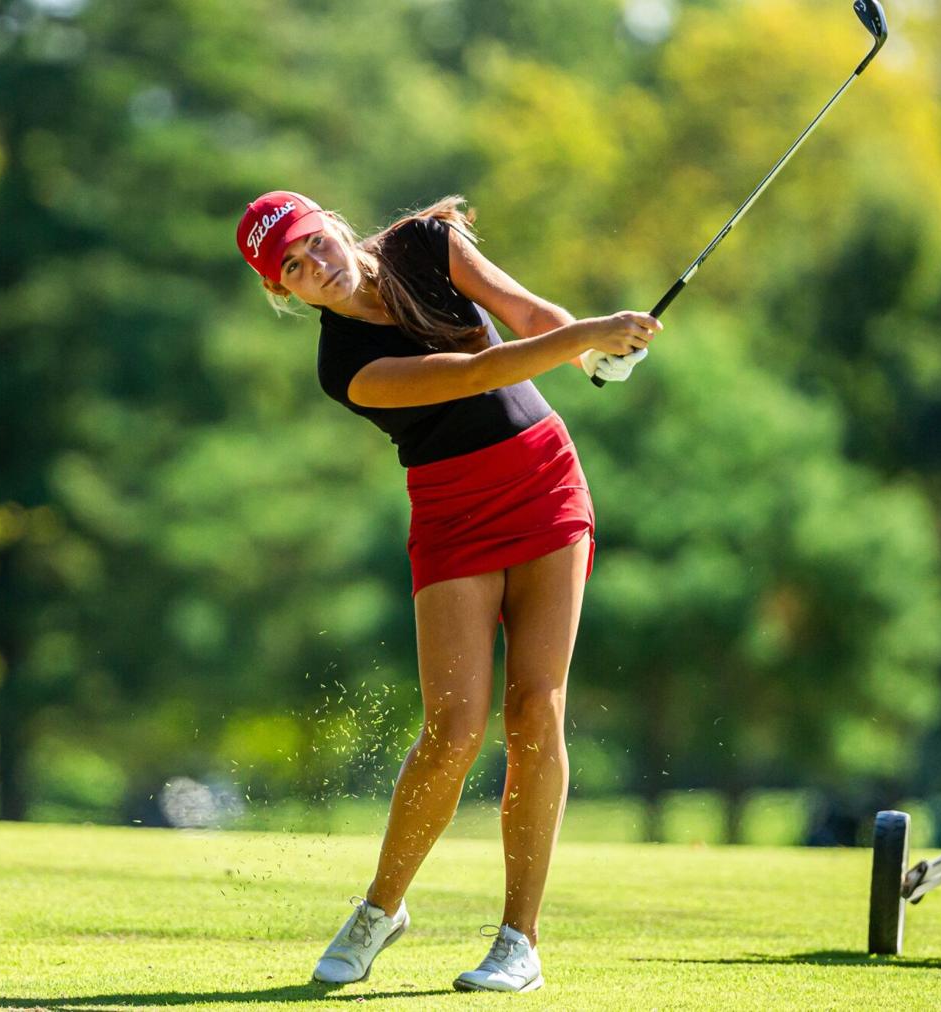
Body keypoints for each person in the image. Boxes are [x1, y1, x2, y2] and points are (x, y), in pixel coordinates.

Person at [235, 191, 660, 993]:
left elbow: (526, 314)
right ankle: (381, 909)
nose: (312, 265)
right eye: (289, 267)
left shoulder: (428, 244)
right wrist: (590, 333)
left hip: (543, 479)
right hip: (454, 511)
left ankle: (518, 941)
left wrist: (587, 352)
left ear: (331, 221)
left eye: (310, 242)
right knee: (452, 730)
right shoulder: (343, 368)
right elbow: (477, 371)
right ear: (281, 291)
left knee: (536, 708)